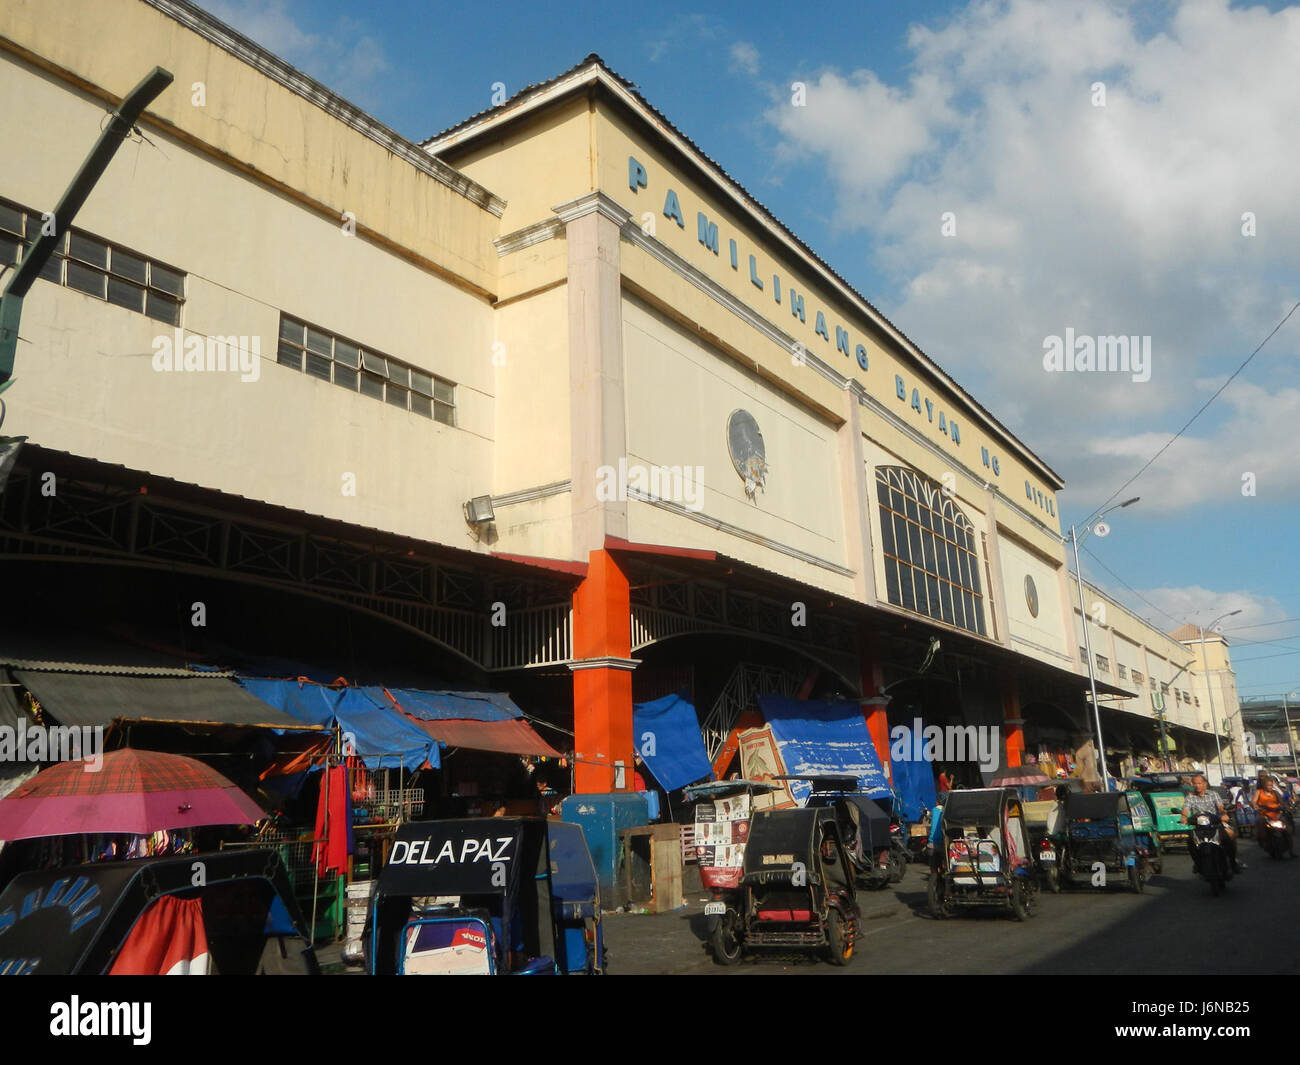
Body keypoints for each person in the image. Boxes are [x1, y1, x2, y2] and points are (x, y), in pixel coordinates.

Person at [1181, 774, 1242, 873]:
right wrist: (1183, 818)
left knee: (1230, 834)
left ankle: (1233, 862)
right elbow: (1185, 810)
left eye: (1199, 783)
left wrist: (1223, 814)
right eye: (1195, 783)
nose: (1197, 786)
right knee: (1190, 841)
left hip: (1215, 824)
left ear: (1205, 784)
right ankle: (1197, 863)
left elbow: (1220, 807)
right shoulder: (1190, 797)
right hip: (1198, 827)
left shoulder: (1214, 794)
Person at [1252, 773, 1290, 844]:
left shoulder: (1275, 793)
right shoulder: (1259, 792)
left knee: (1286, 828)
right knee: (1260, 822)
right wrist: (1255, 806)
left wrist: (1285, 807)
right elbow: (1254, 801)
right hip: (1264, 814)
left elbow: (1282, 802)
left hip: (1276, 814)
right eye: (1268, 785)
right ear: (1264, 785)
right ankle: (1262, 840)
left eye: (1271, 785)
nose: (1270, 787)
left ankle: (1290, 849)